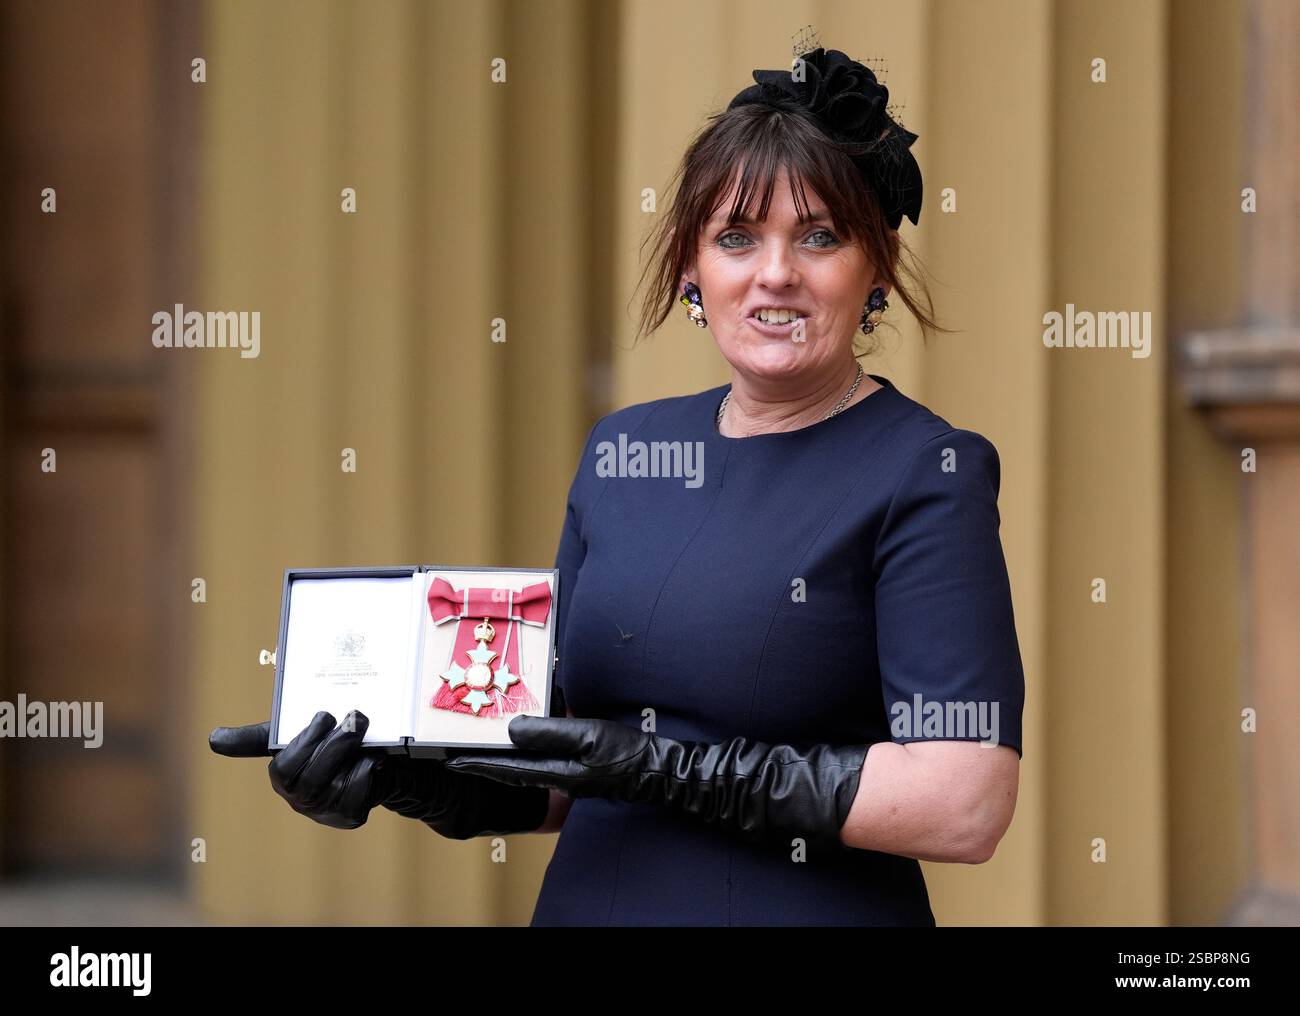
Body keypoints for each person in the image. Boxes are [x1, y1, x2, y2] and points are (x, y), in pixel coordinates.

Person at [211, 43, 1024, 926]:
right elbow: (561, 769)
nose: (775, 272)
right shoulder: (624, 451)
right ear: (691, 268)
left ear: (875, 267)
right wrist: (408, 783)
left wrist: (658, 768)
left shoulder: (927, 471)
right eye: (736, 237)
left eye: (820, 235)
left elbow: (963, 803)